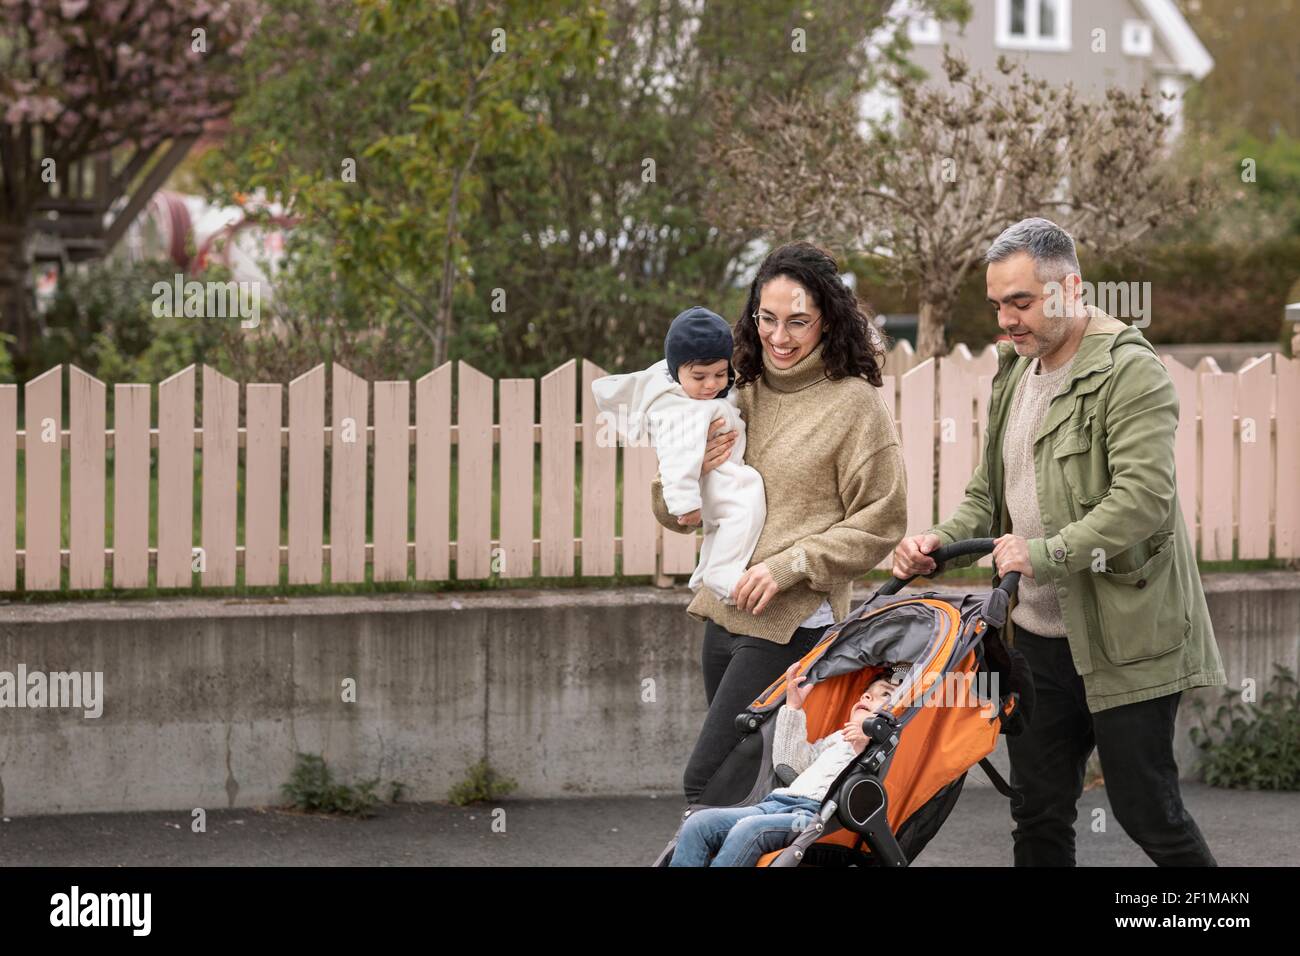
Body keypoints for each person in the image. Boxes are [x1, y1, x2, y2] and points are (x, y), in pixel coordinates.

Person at [892, 217, 1225, 867]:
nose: (1007, 320)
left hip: (1129, 637)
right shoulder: (1015, 369)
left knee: (1146, 811)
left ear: (1070, 289)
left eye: (1020, 301)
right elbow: (989, 492)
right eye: (997, 304)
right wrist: (943, 536)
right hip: (1038, 642)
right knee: (1037, 813)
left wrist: (1043, 554)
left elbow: (1142, 502)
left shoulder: (1130, 372)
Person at [649, 241, 908, 805]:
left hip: (792, 622)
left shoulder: (854, 405)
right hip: (723, 614)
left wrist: (792, 565)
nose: (779, 337)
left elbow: (882, 520)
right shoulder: (736, 387)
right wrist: (689, 474)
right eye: (767, 319)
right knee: (749, 790)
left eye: (798, 322)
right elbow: (674, 512)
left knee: (708, 781)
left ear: (827, 322)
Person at [592, 306, 765, 604]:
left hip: (721, 475)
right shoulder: (680, 411)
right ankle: (722, 574)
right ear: (676, 371)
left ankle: (705, 572)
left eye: (720, 374)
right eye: (699, 376)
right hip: (718, 480)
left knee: (720, 527)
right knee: (747, 507)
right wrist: (685, 504)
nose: (711, 385)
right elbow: (676, 459)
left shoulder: (703, 396)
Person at [669, 663, 908, 866]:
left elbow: (876, 756)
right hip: (774, 804)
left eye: (885, 695)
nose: (867, 696)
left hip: (810, 816)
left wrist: (870, 735)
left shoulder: (877, 749)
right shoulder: (837, 739)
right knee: (698, 823)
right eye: (867, 692)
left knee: (749, 829)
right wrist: (793, 709)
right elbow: (790, 766)